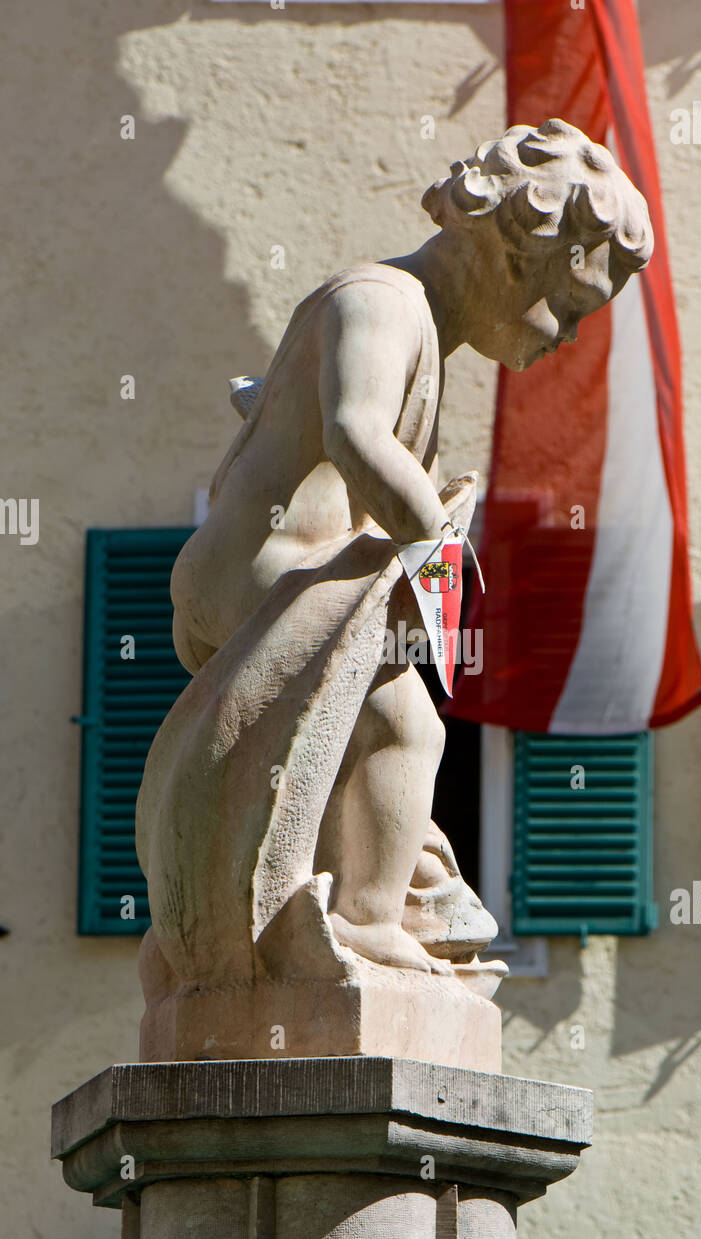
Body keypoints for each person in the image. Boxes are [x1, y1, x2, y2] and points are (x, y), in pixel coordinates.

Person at [136, 119, 653, 989]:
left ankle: (346, 897)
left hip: (272, 568)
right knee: (400, 719)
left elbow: (301, 418)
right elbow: (353, 431)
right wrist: (440, 563)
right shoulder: (380, 300)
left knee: (343, 750)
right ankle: (368, 923)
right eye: (569, 308)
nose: (564, 337)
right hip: (267, 574)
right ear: (513, 256)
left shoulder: (409, 325)